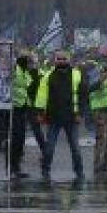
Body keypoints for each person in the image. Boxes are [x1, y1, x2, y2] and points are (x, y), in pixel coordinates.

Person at [33, 50, 85, 181]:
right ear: (54, 60)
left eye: (64, 59)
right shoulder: (48, 75)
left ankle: (79, 171)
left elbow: (83, 95)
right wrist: (39, 112)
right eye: (59, 59)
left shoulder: (77, 74)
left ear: (69, 60)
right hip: (53, 117)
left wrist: (80, 113)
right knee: (49, 147)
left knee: (75, 148)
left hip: (72, 116)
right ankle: (45, 170)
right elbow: (41, 95)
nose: (61, 61)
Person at [9, 53, 34, 179]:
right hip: (13, 108)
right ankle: (12, 167)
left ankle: (16, 167)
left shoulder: (25, 72)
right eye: (30, 62)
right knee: (15, 139)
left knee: (20, 139)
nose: (32, 65)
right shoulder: (15, 69)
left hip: (22, 108)